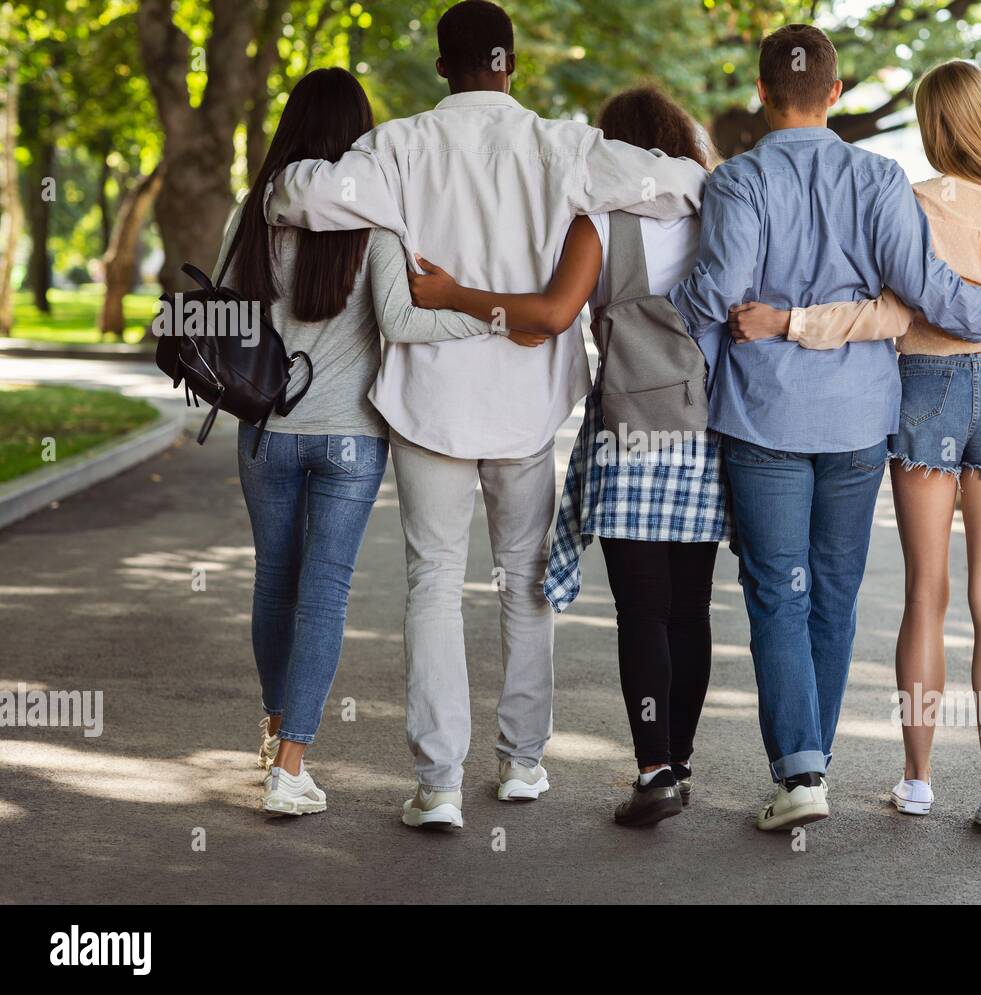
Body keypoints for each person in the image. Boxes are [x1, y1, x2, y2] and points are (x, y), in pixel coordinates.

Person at [262, 1, 707, 830]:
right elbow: (678, 182)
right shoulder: (563, 144)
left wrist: (282, 189)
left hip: (429, 398)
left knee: (432, 583)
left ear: (443, 68)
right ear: (511, 66)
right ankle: (524, 763)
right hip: (525, 404)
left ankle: (436, 785)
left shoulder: (396, 146)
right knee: (524, 581)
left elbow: (300, 195)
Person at [669, 26, 981, 832]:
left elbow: (714, 294)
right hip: (862, 419)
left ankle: (802, 770)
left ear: (760, 92)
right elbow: (928, 288)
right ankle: (809, 761)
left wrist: (676, 343)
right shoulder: (880, 177)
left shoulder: (738, 182)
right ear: (835, 94)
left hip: (766, 418)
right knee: (832, 590)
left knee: (777, 590)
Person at [731, 59, 981, 828]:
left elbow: (884, 314)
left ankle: (917, 778)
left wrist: (791, 324)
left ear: (929, 123)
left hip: (926, 394)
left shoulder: (914, 202)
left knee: (926, 593)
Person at [409, 86, 728, 828]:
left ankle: (652, 769)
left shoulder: (601, 221)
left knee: (641, 612)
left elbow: (552, 314)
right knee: (689, 609)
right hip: (704, 428)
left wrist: (457, 294)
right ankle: (679, 760)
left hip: (628, 432)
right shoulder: (716, 211)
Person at [217, 68, 501, 816]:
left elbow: (220, 319)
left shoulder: (253, 212)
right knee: (324, 592)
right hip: (348, 437)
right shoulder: (374, 218)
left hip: (264, 431)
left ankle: (277, 742)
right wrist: (491, 316)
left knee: (274, 580)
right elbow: (405, 324)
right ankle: (291, 765)